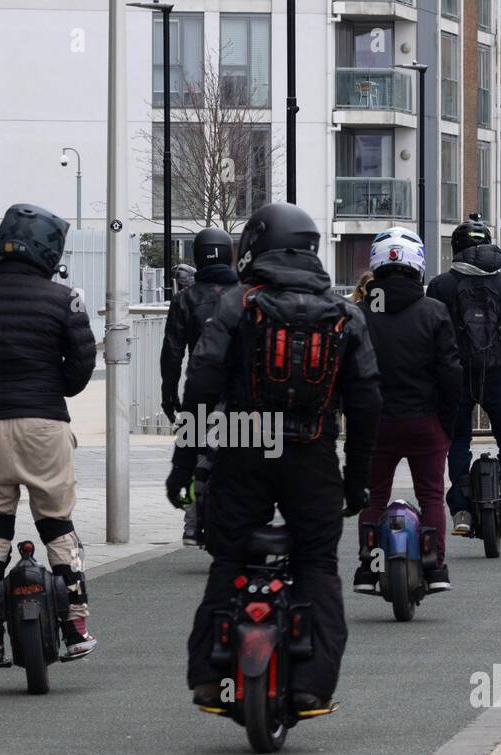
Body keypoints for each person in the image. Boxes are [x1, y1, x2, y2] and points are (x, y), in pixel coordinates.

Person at [169, 202, 381, 714]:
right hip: (313, 454)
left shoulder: (237, 304)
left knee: (230, 558)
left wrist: (185, 461)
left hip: (243, 450)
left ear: (256, 245)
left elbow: (201, 381)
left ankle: (208, 676)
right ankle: (311, 686)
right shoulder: (345, 313)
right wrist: (356, 481)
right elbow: (368, 401)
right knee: (317, 564)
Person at [0, 203, 98, 666]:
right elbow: (82, 366)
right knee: (57, 524)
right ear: (49, 251)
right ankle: (75, 625)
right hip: (45, 424)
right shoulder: (64, 299)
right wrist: (55, 385)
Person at [353, 227, 461, 594]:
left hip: (376, 423)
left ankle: (368, 568)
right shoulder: (433, 311)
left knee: (375, 494)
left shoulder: (361, 313)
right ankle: (435, 567)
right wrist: (445, 422)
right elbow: (450, 373)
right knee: (431, 493)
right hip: (424, 420)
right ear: (419, 265)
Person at [427, 215, 501, 535]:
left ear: (456, 249)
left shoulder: (441, 285)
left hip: (455, 380)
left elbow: (427, 336)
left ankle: (461, 510)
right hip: (496, 375)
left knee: (458, 441)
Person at [159, 227, 238, 546]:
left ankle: (192, 525)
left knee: (195, 455)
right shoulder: (247, 293)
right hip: (242, 392)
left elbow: (172, 352)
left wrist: (169, 395)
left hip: (199, 388)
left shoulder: (185, 299)